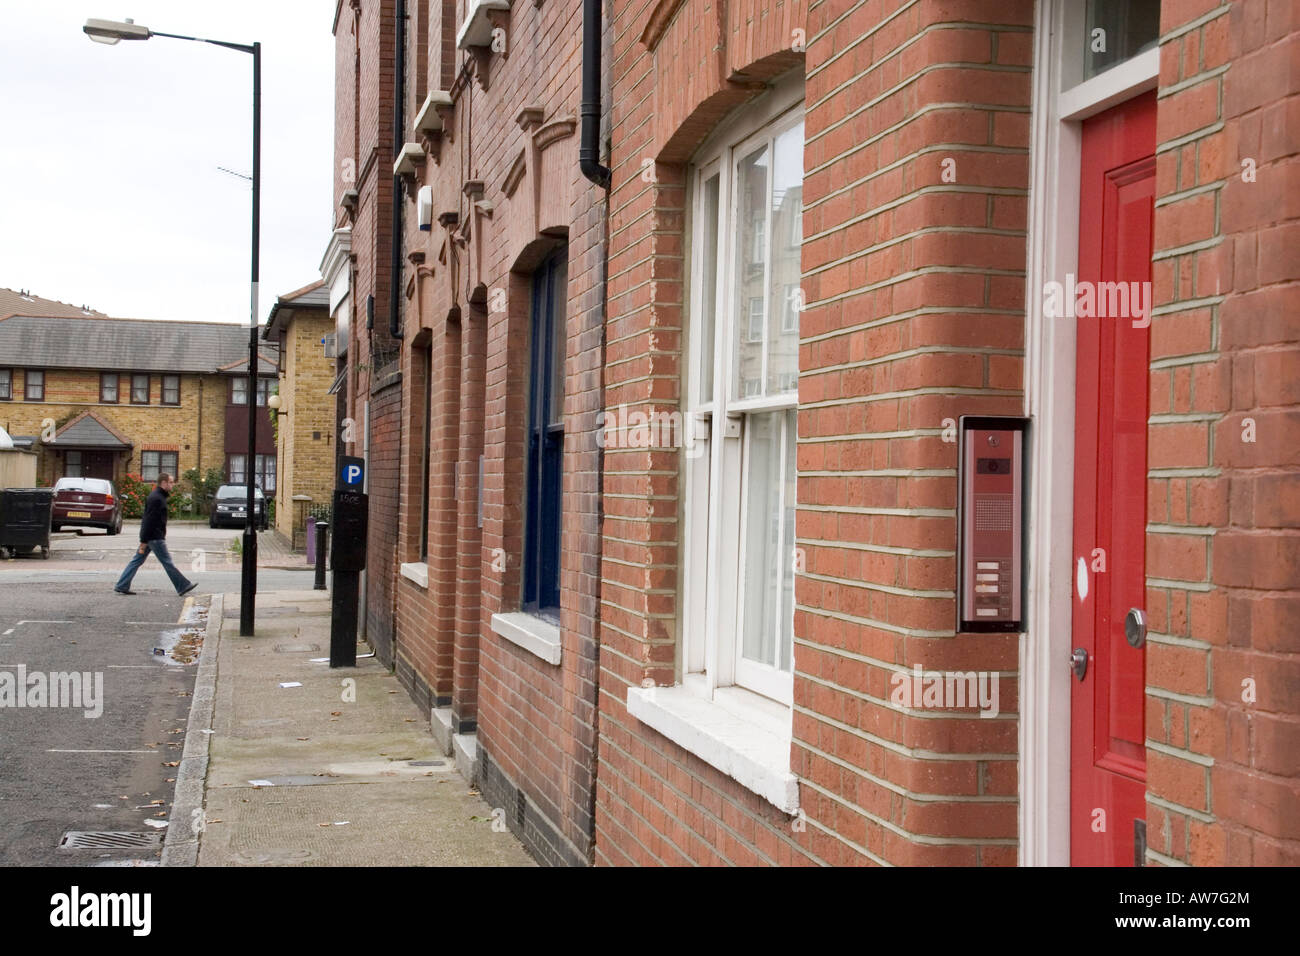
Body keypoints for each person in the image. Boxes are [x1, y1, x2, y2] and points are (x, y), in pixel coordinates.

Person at [114, 473, 198, 597]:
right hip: (154, 537)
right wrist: (144, 540)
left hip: (150, 537)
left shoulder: (158, 497)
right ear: (163, 483)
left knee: (137, 561)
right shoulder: (157, 498)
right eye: (170, 482)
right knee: (167, 562)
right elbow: (149, 520)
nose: (172, 484)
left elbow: (148, 519)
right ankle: (182, 585)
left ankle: (122, 585)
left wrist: (144, 539)